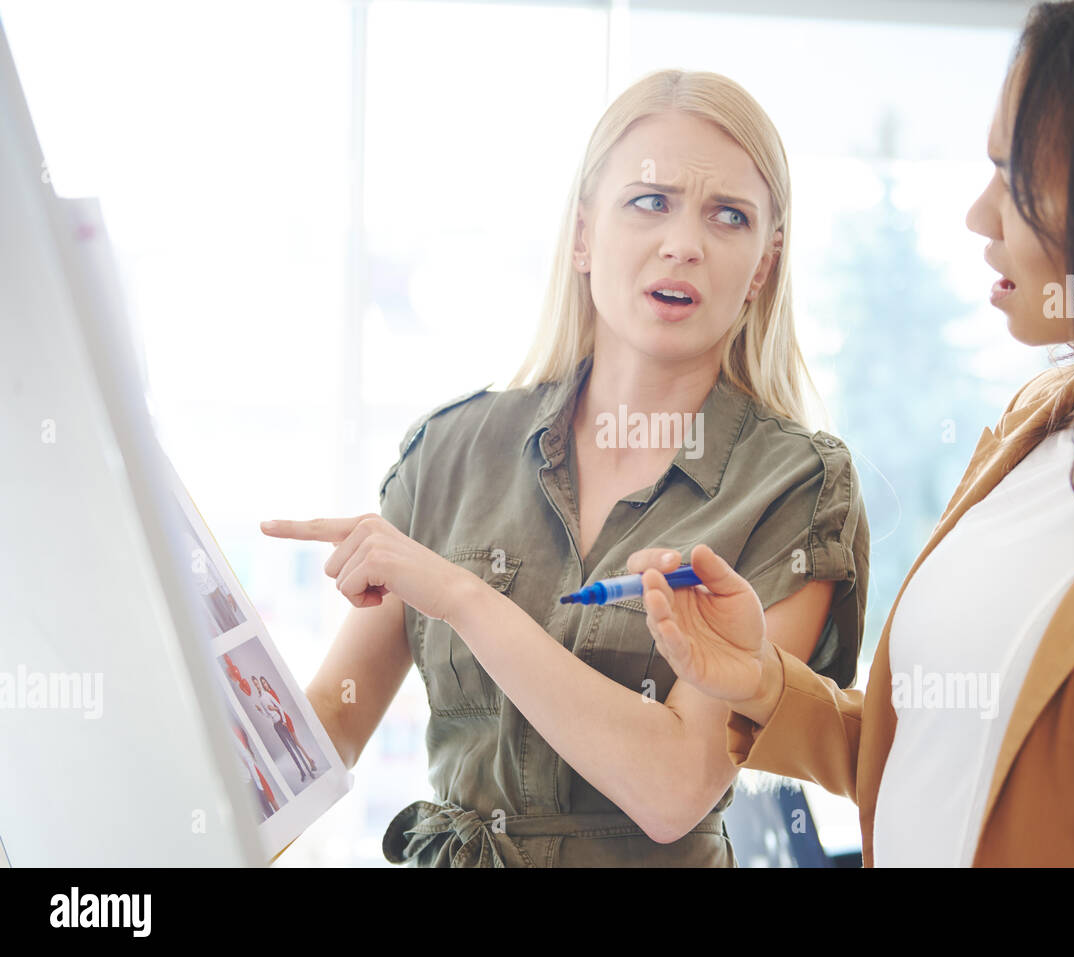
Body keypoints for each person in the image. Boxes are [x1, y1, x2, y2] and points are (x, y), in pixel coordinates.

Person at [633, 0, 1074, 866]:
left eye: (1011, 170)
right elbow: (941, 748)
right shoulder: (1035, 427)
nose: (980, 216)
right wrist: (759, 679)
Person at [263, 69, 870, 866]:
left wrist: (463, 597)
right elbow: (330, 731)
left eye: (729, 216)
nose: (683, 242)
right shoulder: (450, 452)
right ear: (583, 236)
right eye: (650, 201)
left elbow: (672, 786)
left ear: (763, 264)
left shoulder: (797, 486)